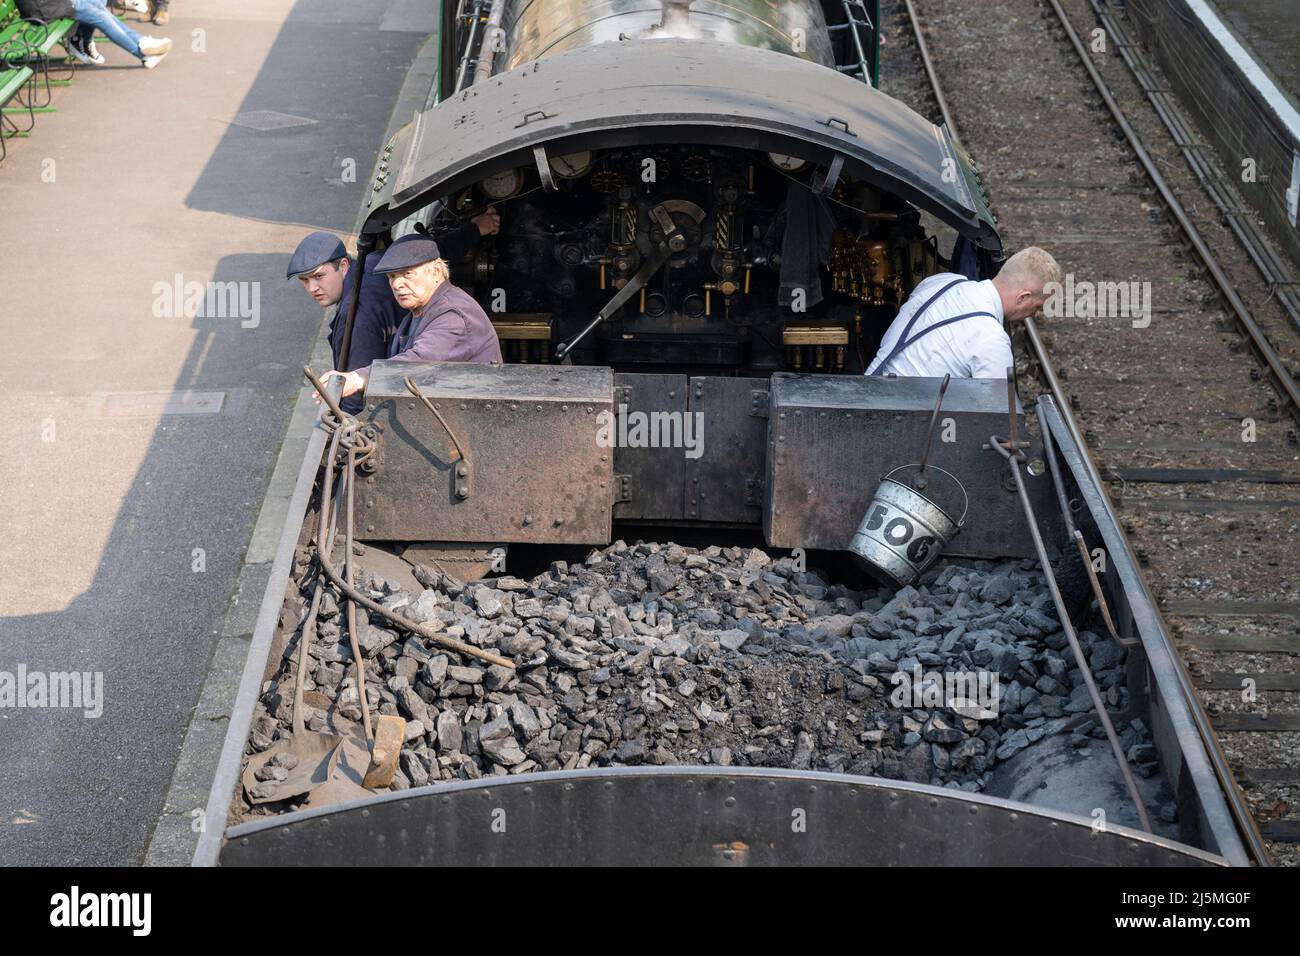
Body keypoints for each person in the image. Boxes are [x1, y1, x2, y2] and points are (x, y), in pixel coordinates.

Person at [318, 234, 503, 403]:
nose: (397, 284)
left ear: (437, 270)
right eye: (392, 276)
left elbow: (419, 361)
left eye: (407, 274)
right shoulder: (421, 308)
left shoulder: (453, 316)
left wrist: (358, 378)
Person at [865, 246, 1062, 379]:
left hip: (867, 394)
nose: (1034, 314)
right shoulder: (993, 342)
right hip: (896, 427)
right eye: (1037, 306)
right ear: (1022, 297)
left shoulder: (939, 282)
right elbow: (995, 418)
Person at [287, 231, 405, 415]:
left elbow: (354, 396)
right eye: (304, 280)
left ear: (343, 266)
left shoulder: (356, 317)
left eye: (318, 276)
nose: (312, 288)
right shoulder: (372, 261)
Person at [55, 0, 172, 68]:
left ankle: (142, 41)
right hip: (50, 6)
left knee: (99, 4)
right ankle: (144, 54)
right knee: (100, 17)